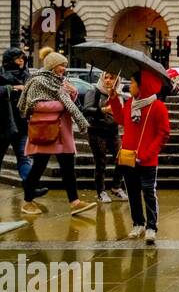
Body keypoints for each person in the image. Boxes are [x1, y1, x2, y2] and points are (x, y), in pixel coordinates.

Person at [18, 52, 94, 217]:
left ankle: (74, 202)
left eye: (65, 66)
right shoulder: (37, 81)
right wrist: (61, 104)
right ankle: (28, 201)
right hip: (45, 130)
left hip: (62, 131)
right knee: (38, 167)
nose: (64, 69)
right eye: (62, 65)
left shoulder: (60, 82)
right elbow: (32, 105)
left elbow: (68, 102)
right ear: (52, 65)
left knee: (68, 168)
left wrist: (72, 94)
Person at [109, 72, 171, 244]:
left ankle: (151, 226)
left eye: (134, 83)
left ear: (143, 86)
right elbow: (121, 119)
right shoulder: (130, 103)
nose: (130, 86)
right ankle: (138, 223)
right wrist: (114, 100)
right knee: (133, 193)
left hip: (147, 159)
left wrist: (148, 153)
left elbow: (163, 133)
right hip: (128, 157)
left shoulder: (158, 107)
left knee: (149, 192)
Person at [79, 69, 128, 203]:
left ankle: (116, 187)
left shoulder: (118, 95)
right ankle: (101, 191)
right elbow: (86, 109)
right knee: (100, 163)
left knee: (123, 158)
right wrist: (103, 110)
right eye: (105, 77)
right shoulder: (94, 91)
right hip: (97, 130)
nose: (108, 80)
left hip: (113, 131)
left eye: (111, 78)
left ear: (117, 80)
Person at [0, 48, 38, 190]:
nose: (21, 60)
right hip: (3, 125)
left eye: (23, 58)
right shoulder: (1, 73)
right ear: (9, 60)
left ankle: (31, 188)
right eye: (17, 58)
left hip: (21, 125)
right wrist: (11, 88)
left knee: (24, 157)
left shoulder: (27, 76)